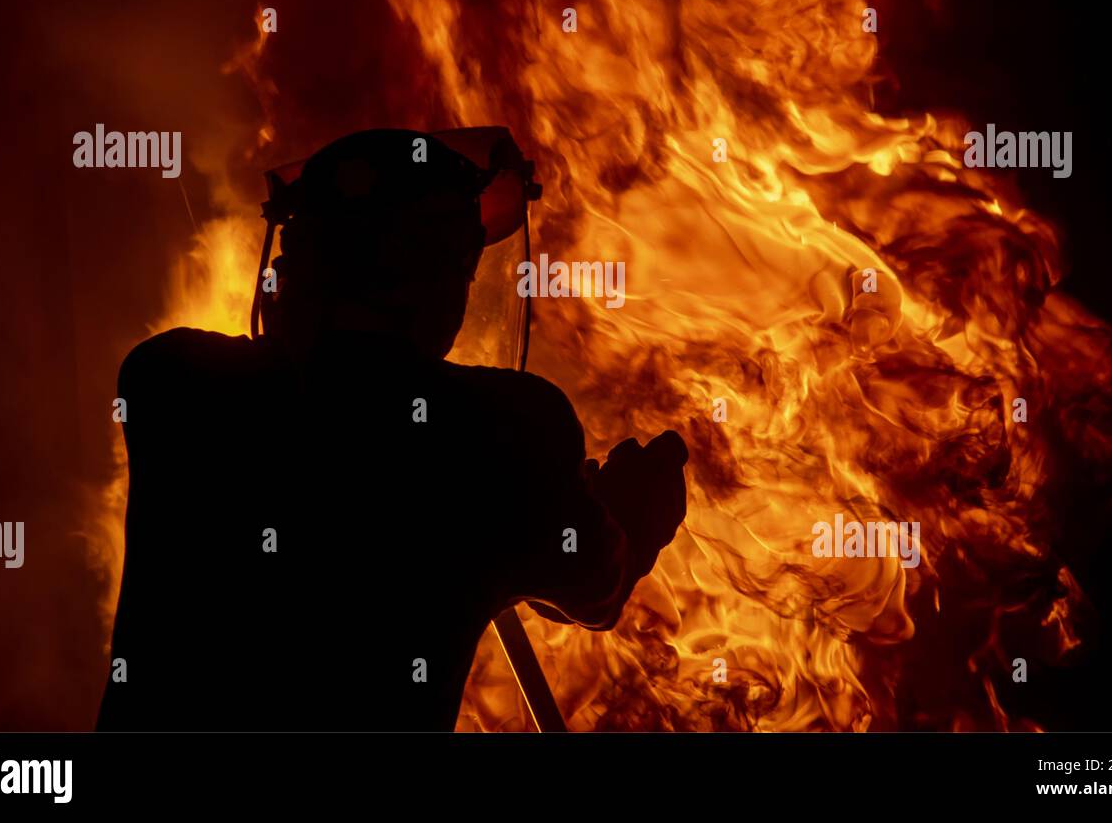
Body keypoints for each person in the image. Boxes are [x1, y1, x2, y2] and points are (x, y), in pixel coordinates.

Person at [97, 129, 688, 731]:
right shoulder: (504, 431)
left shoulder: (171, 383)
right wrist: (633, 512)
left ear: (295, 266)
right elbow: (593, 584)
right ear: (438, 289)